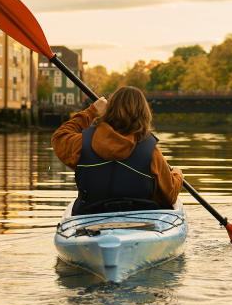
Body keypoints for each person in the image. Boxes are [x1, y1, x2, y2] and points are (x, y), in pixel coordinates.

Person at [53, 86, 184, 215]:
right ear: (144, 114)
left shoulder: (82, 143)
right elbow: (170, 195)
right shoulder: (151, 151)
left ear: (109, 111)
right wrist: (177, 175)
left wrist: (92, 111)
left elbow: (60, 136)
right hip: (140, 219)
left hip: (90, 215)